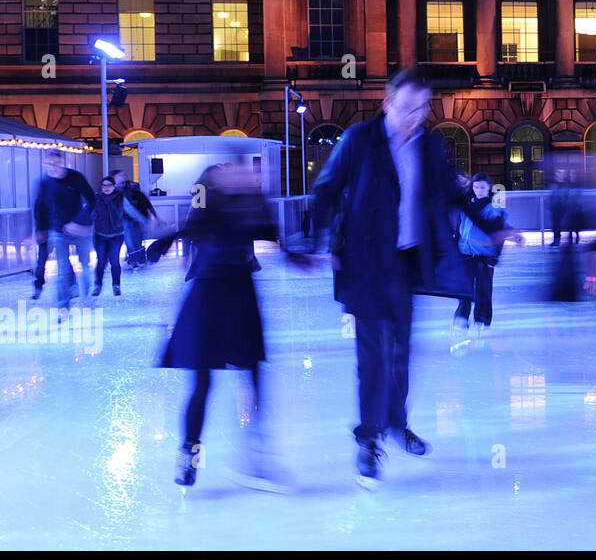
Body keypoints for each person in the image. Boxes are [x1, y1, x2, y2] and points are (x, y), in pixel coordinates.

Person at [308, 68, 512, 488]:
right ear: (387, 104)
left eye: (422, 108)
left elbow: (458, 193)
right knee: (372, 357)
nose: (415, 116)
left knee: (401, 351)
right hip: (364, 264)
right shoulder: (360, 140)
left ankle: (396, 424)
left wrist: (492, 228)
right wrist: (317, 243)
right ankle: (368, 439)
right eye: (407, 107)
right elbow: (326, 190)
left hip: (404, 264)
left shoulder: (428, 146)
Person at [160, 160, 287, 491]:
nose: (240, 173)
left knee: (253, 374)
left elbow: (268, 233)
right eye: (229, 170)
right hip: (208, 293)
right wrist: (177, 244)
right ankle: (189, 452)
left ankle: (257, 451)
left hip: (240, 294)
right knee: (202, 383)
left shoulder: (249, 201)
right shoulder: (205, 198)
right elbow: (195, 225)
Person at [454, 174, 521, 336]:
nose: (479, 190)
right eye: (476, 187)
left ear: (489, 187)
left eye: (482, 187)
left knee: (483, 289)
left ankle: (482, 320)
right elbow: (458, 229)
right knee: (464, 288)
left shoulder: (495, 208)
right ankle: (461, 318)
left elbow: (500, 235)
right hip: (465, 254)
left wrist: (495, 256)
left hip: (485, 256)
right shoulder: (467, 205)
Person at [33, 151, 96, 308]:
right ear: (44, 164)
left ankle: (86, 295)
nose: (53, 168)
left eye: (56, 164)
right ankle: (63, 305)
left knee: (85, 264)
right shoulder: (44, 182)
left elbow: (92, 200)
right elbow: (40, 206)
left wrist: (79, 223)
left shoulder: (76, 177)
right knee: (62, 269)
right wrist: (40, 229)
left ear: (63, 162)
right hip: (58, 230)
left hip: (80, 229)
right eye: (49, 165)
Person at [113, 169, 155, 270]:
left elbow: (140, 202)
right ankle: (135, 260)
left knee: (135, 239)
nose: (123, 177)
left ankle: (136, 259)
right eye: (120, 175)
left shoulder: (129, 187)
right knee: (131, 240)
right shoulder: (116, 190)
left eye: (124, 175)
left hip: (130, 218)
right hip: (124, 219)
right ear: (114, 177)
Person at [90, 175, 125, 296]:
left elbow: (131, 211)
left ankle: (116, 285)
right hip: (100, 235)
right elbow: (89, 213)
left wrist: (144, 220)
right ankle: (98, 285)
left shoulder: (121, 198)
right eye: (104, 185)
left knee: (114, 261)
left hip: (117, 235)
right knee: (101, 261)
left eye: (109, 185)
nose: (106, 188)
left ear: (114, 186)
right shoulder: (96, 198)